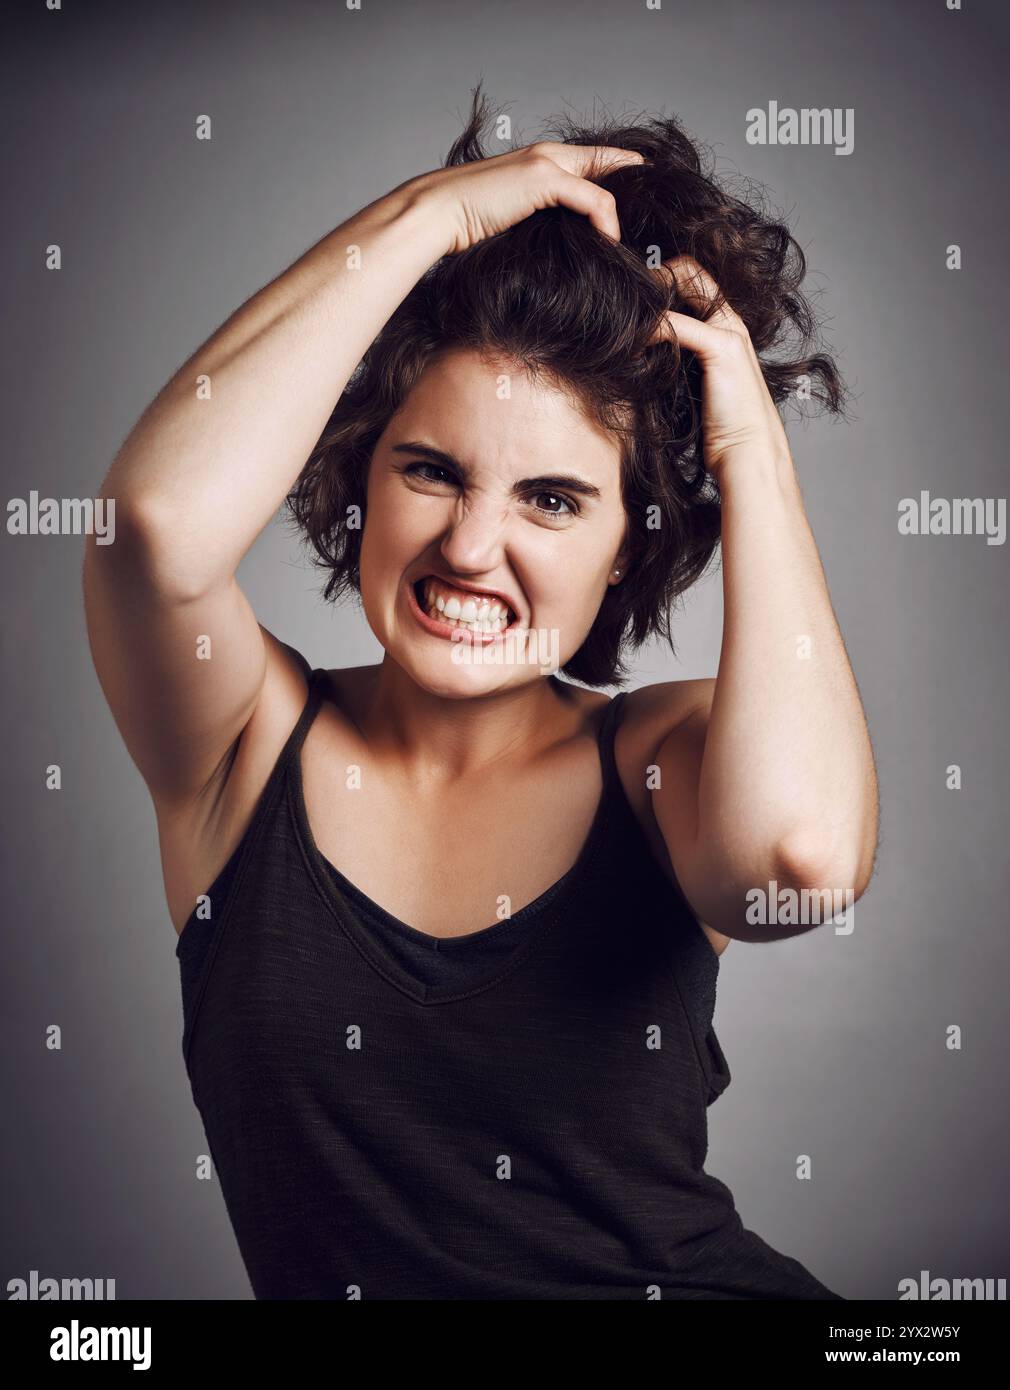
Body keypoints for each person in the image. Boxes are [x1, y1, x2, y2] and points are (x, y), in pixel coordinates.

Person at [82, 86, 878, 1299]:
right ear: (361, 477)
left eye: (551, 499)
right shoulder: (241, 746)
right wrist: (423, 223)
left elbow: (801, 859)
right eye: (430, 471)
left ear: (627, 545)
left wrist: (747, 448)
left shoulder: (653, 757)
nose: (467, 547)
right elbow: (150, 528)